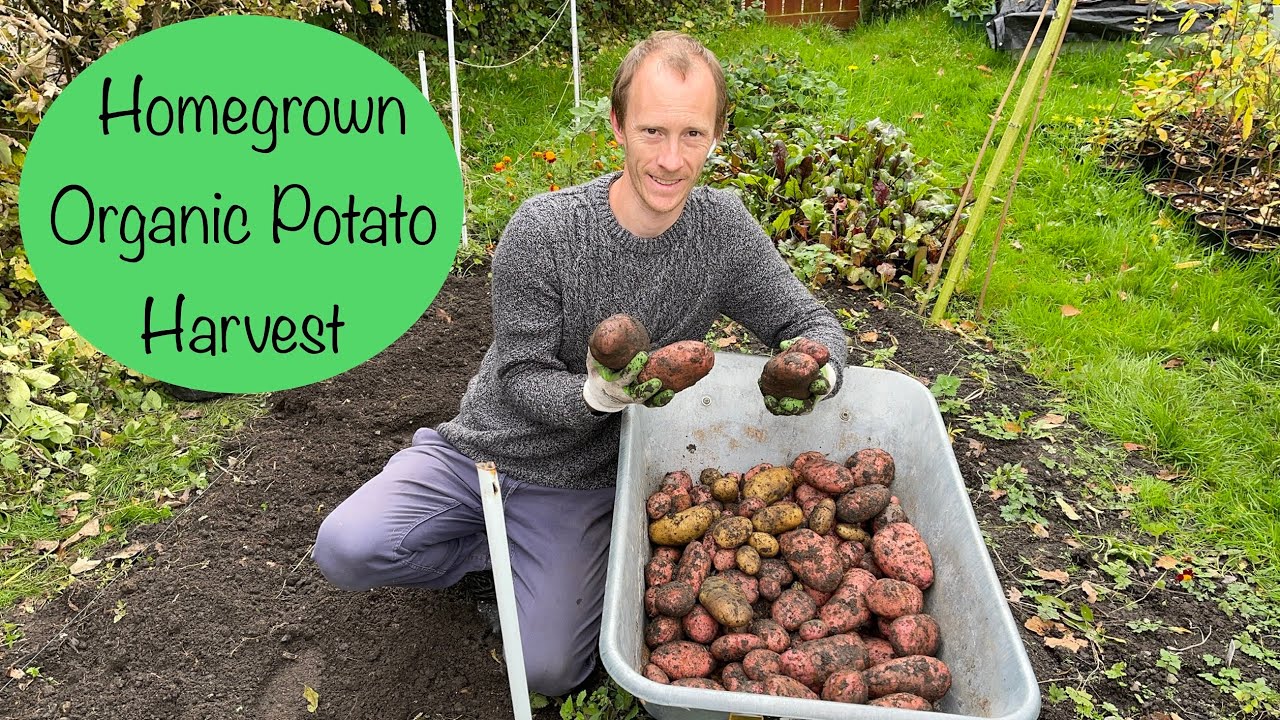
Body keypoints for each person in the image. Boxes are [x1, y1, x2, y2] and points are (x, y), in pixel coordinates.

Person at [312, 30, 848, 697]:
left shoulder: (724, 230)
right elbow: (519, 376)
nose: (671, 159)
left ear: (717, 136)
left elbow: (811, 324)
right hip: (482, 451)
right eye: (652, 130)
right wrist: (598, 395)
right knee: (345, 548)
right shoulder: (546, 230)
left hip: (583, 484)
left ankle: (525, 563)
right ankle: (493, 559)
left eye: (692, 134)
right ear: (618, 124)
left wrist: (814, 372)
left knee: (550, 670)